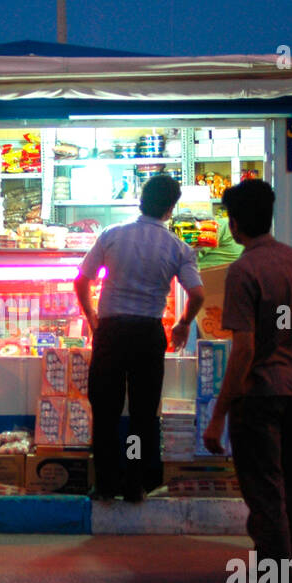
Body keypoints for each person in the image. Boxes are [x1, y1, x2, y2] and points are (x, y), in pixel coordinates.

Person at [201, 180, 292, 583]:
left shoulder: (244, 271)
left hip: (260, 399)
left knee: (267, 506)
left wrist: (217, 415)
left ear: (234, 223)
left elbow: (243, 350)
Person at [74, 175, 206, 503]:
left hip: (112, 332)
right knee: (142, 415)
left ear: (140, 199)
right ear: (171, 208)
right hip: (148, 335)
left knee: (105, 411)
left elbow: (82, 280)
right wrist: (184, 323)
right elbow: (198, 293)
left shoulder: (112, 235)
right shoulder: (179, 247)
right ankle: (135, 482)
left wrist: (93, 318)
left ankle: (105, 483)